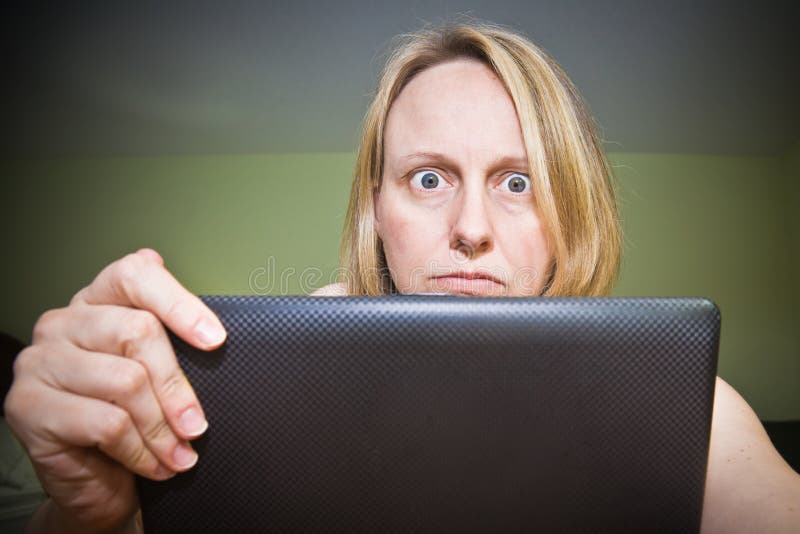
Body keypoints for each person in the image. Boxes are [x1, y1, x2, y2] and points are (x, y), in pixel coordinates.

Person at [4, 20, 799, 534]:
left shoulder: (683, 411)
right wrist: (87, 517)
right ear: (374, 210)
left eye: (519, 181)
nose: (473, 227)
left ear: (574, 213)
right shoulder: (245, 389)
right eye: (428, 178)